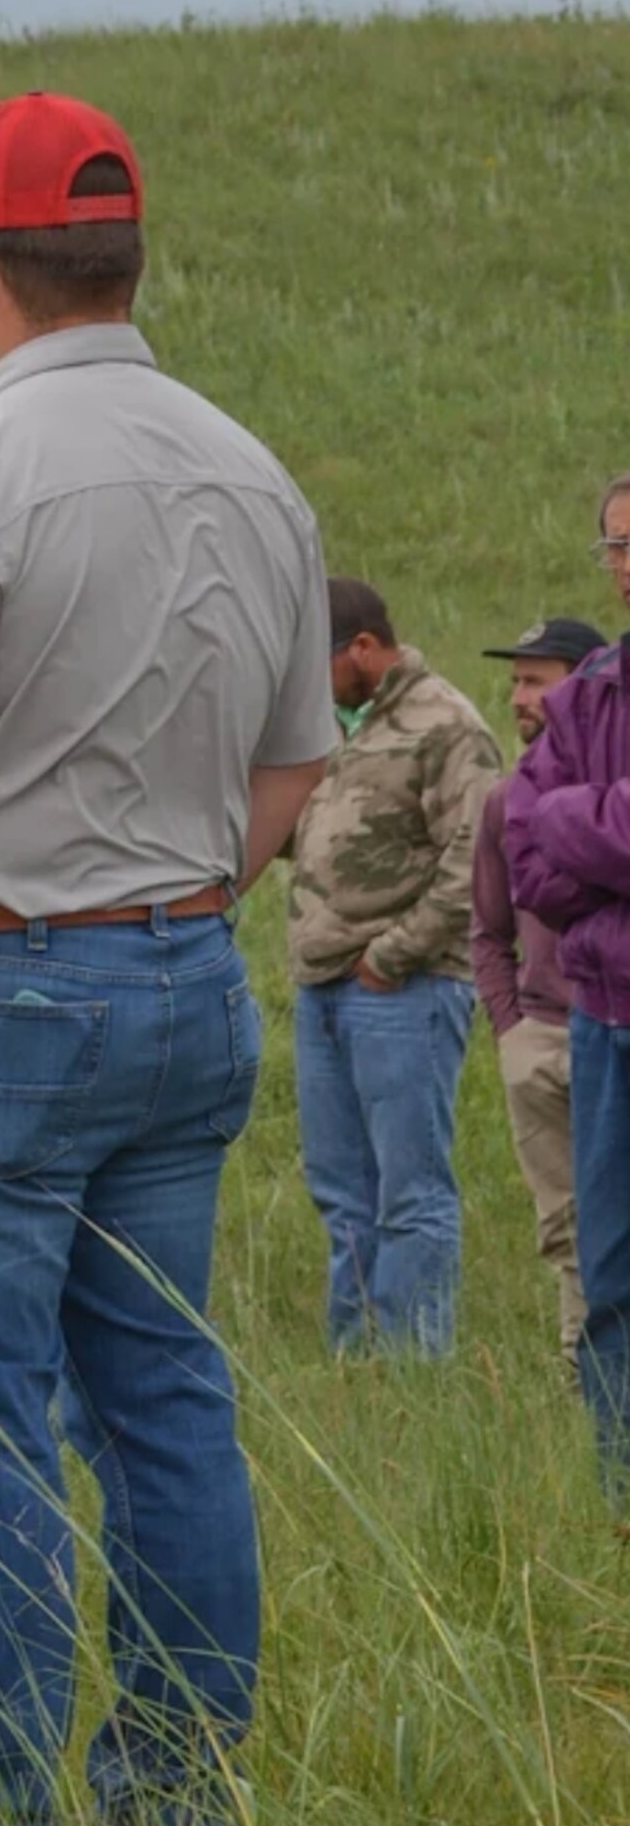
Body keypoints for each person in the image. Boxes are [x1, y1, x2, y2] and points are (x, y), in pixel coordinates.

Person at [0, 92, 331, 1826]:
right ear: (121, 255)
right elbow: (292, 770)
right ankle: (179, 1795)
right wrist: (178, 906)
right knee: (166, 1404)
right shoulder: (253, 472)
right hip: (180, 982)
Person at [284, 576, 499, 1358]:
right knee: (343, 1193)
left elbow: (475, 857)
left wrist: (391, 954)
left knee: (409, 1194)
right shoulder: (341, 729)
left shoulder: (446, 725)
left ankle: (416, 1365)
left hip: (401, 988)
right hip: (322, 989)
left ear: (364, 649)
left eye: (320, 663)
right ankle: (357, 1361)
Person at [502, 475, 630, 1491]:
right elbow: (527, 855)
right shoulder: (589, 695)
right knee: (610, 1269)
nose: (627, 564)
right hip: (602, 1020)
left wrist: (579, 820)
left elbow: (565, 827)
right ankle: (617, 1486)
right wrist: (589, 821)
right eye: (616, 546)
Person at [472, 615, 603, 1359]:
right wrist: (510, 1028)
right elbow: (488, 927)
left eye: (536, 682)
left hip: (608, 1025)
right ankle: (581, 1372)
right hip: (541, 1037)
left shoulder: (607, 796)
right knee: (563, 1224)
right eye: (517, 682)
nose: (520, 697)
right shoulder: (504, 799)